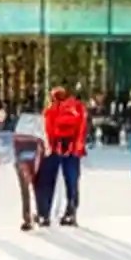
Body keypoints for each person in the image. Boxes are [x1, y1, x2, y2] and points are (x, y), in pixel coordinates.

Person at [39, 87, 88, 227]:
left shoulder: (51, 109)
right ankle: (71, 212)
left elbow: (47, 129)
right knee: (72, 181)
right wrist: (78, 146)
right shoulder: (78, 107)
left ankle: (44, 213)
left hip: (55, 148)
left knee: (47, 182)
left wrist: (49, 146)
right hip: (72, 149)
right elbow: (83, 128)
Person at [11, 104, 47, 231]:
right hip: (37, 159)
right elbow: (44, 142)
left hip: (21, 161)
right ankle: (40, 214)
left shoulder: (21, 123)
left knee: (25, 190)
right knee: (39, 188)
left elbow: (15, 143)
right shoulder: (40, 122)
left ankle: (27, 218)